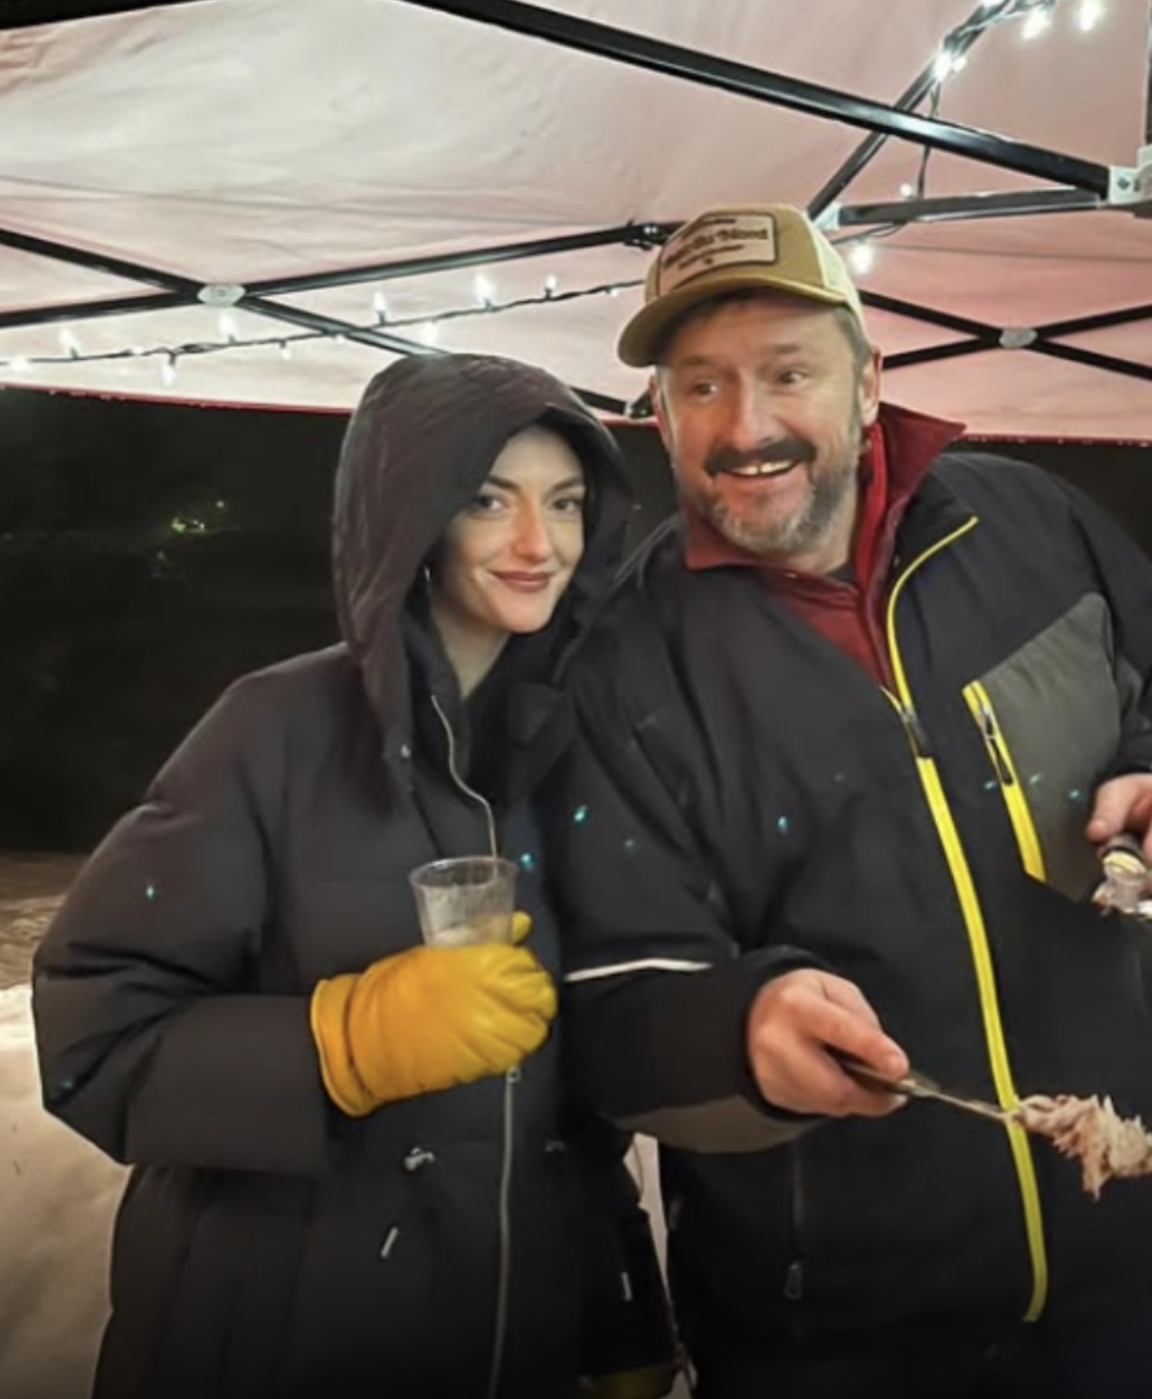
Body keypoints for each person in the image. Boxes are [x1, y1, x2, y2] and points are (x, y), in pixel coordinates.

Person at [548, 203, 1152, 1399]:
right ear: (657, 415)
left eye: (788, 373)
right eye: (700, 387)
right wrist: (738, 1035)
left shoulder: (1031, 525)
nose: (746, 426)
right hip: (823, 1332)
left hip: (1100, 1270)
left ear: (870, 381)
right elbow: (605, 999)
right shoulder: (618, 662)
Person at [32, 352, 677, 1399]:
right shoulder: (274, 733)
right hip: (274, 1341)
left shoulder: (574, 755)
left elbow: (570, 1109)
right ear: (409, 515)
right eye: (487, 500)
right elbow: (90, 1036)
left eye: (564, 504)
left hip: (514, 1349)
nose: (536, 543)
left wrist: (624, 1317)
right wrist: (341, 1047)